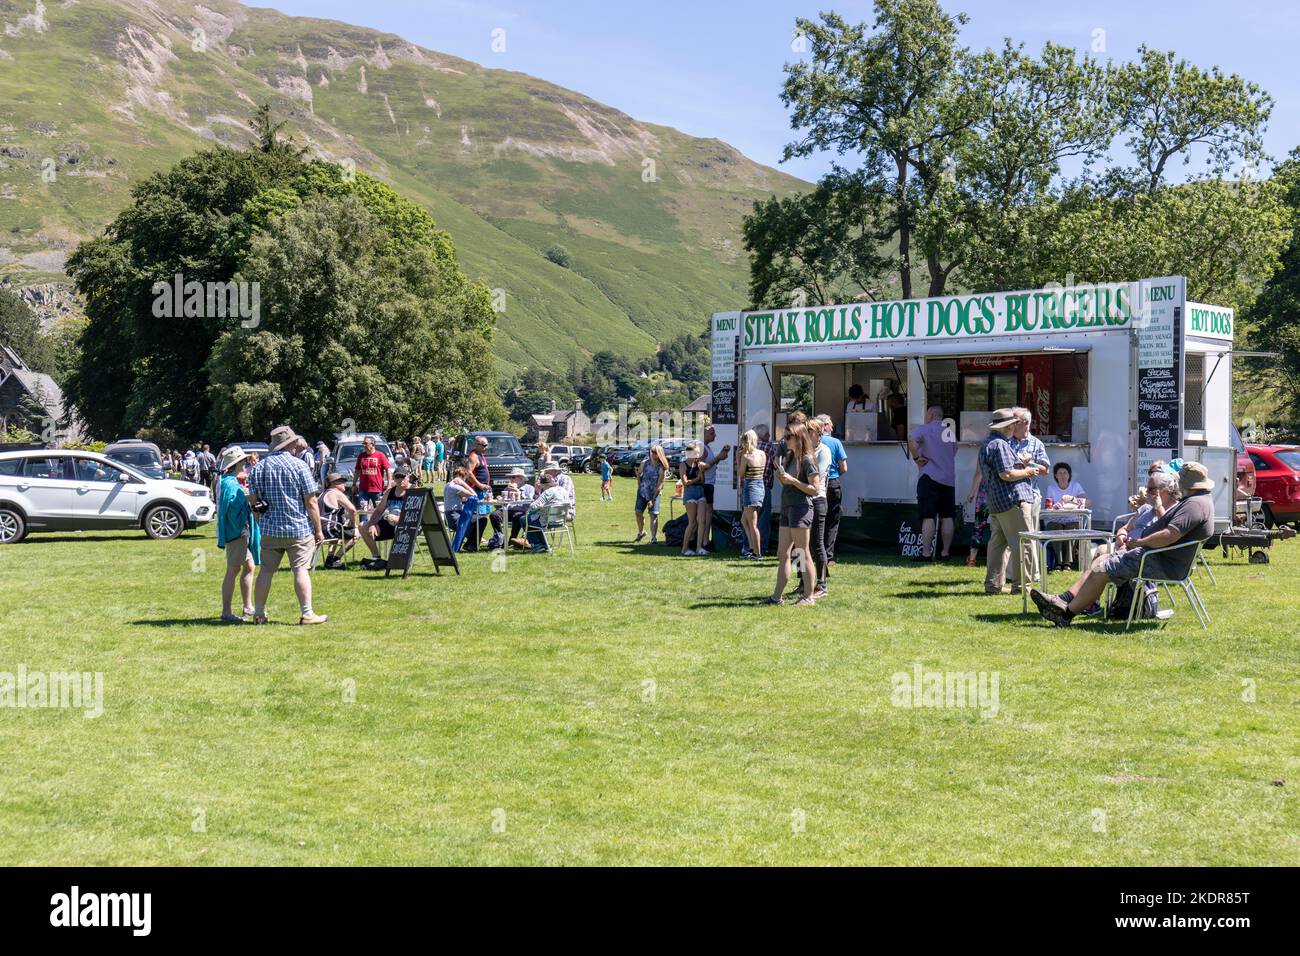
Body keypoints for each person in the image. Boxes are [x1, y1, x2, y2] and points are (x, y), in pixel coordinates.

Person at [1031, 462, 1216, 626]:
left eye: (1180, 480)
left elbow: (1169, 535)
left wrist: (1139, 542)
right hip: (1157, 556)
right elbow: (1162, 532)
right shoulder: (1199, 501)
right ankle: (1064, 600)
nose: (1178, 483)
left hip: (1158, 560)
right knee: (1102, 559)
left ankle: (1065, 614)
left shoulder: (1194, 505)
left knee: (1102, 569)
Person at [247, 425, 327, 625]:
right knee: (300, 570)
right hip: (298, 528)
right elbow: (311, 502)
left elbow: (254, 502)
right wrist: (318, 530)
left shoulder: (258, 468)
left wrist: (261, 523)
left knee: (266, 571)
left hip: (270, 529)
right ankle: (307, 613)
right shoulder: (299, 466)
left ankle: (259, 613)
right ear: (290, 443)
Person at [980, 408, 1046, 595]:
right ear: (1008, 426)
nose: (1016, 426)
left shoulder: (988, 443)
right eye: (1014, 423)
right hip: (1012, 501)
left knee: (998, 545)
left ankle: (992, 586)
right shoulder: (1000, 444)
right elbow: (1007, 474)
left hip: (996, 502)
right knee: (1023, 544)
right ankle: (1021, 587)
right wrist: (1028, 471)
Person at [768, 416, 820, 606]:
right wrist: (782, 478)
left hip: (801, 508)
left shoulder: (807, 460)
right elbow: (787, 483)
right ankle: (776, 597)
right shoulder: (789, 457)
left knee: (802, 553)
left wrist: (793, 481)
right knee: (783, 554)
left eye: (789, 436)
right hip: (787, 507)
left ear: (799, 438)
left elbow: (815, 489)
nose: (785, 439)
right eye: (785, 436)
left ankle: (809, 596)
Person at [216, 445, 259, 623]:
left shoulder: (227, 481)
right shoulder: (230, 483)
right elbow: (231, 509)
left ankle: (248, 606)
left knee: (249, 566)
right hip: (237, 533)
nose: (246, 463)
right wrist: (241, 527)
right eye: (243, 460)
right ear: (238, 463)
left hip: (238, 532)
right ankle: (226, 612)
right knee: (232, 570)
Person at [909, 405, 958, 561]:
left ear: (930, 415)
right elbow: (954, 450)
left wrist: (916, 457)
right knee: (948, 516)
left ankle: (926, 553)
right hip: (948, 479)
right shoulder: (949, 432)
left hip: (929, 476)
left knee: (928, 516)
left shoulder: (925, 429)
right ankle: (945, 553)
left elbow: (911, 439)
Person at [1010, 407, 1051, 580]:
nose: (1011, 425)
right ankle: (1011, 574)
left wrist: (1031, 463)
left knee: (1030, 534)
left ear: (1025, 423)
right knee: (1011, 536)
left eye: (1015, 422)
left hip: (1031, 495)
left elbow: (1045, 470)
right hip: (1010, 494)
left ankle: (1032, 574)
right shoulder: (1007, 441)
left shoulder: (1036, 443)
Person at [360, 467, 414, 566]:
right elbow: (379, 511)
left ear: (408, 477)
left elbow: (416, 513)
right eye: (397, 477)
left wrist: (398, 519)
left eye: (402, 477)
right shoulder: (390, 492)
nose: (399, 479)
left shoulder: (414, 490)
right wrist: (372, 524)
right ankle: (376, 558)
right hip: (390, 524)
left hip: (408, 525)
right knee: (363, 526)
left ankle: (401, 562)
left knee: (399, 527)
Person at [816, 415, 848, 568]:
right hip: (833, 483)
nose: (833, 428)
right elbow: (844, 468)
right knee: (832, 521)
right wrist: (835, 475)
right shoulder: (835, 442)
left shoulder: (812, 442)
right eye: (831, 424)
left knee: (816, 520)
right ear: (826, 425)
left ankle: (814, 554)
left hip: (815, 484)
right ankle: (828, 557)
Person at [696, 425, 732, 555]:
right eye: (712, 433)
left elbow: (708, 465)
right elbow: (701, 468)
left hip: (708, 484)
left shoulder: (706, 447)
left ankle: (705, 541)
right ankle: (704, 543)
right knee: (706, 514)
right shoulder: (700, 447)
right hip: (704, 485)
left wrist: (720, 457)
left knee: (708, 513)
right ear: (703, 434)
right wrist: (718, 458)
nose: (715, 436)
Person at [318, 471, 360, 569]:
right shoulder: (336, 493)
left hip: (320, 529)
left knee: (339, 533)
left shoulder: (322, 494)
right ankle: (335, 559)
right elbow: (352, 510)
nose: (344, 483)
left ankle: (329, 559)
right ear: (334, 483)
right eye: (341, 481)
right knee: (356, 533)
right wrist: (353, 525)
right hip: (330, 529)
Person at [735, 430, 767, 559]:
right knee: (744, 520)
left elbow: (741, 474)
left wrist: (738, 459)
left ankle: (757, 553)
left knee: (753, 524)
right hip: (760, 486)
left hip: (751, 487)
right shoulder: (762, 454)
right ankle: (752, 548)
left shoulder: (746, 457)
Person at [808, 420, 830, 595]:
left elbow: (817, 475)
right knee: (801, 545)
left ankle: (822, 584)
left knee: (817, 543)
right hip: (803, 500)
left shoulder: (825, 451)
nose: (806, 434)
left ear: (818, 433)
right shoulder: (804, 451)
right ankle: (804, 581)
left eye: (809, 431)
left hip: (818, 500)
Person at [634, 444, 669, 544]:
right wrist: (639, 485)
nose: (652, 453)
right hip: (642, 493)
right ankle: (641, 532)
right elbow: (639, 474)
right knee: (638, 512)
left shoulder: (662, 468)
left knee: (653, 515)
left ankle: (653, 538)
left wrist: (652, 500)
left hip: (654, 493)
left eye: (654, 452)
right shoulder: (644, 463)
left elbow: (659, 485)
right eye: (651, 451)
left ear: (659, 454)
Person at [755, 423, 778, 556]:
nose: (769, 436)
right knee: (763, 518)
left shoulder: (749, 447)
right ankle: (762, 547)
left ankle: (749, 547)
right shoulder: (768, 448)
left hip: (750, 486)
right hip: (764, 487)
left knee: (750, 519)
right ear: (763, 435)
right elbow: (776, 466)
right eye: (768, 434)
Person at [679, 443, 706, 557]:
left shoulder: (699, 464)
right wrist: (697, 478)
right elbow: (685, 483)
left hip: (700, 491)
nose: (698, 455)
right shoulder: (683, 465)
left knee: (702, 520)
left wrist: (701, 472)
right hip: (690, 493)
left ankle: (699, 547)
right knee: (692, 522)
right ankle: (684, 548)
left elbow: (702, 481)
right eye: (696, 452)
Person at [445, 466, 479, 552]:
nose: (465, 481)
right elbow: (474, 495)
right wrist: (464, 484)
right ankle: (471, 544)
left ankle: (471, 543)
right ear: (462, 477)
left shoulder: (448, 485)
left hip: (451, 516)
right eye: (465, 479)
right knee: (481, 520)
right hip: (455, 518)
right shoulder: (456, 487)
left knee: (477, 518)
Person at [354, 435, 391, 509]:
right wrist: (354, 484)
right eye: (363, 443)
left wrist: (389, 485)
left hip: (377, 489)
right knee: (362, 512)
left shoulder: (380, 455)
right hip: (363, 489)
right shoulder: (361, 456)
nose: (364, 445)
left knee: (379, 512)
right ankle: (363, 521)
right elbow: (357, 471)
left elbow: (388, 470)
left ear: (372, 444)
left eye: (366, 443)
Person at [502, 467, 536, 544]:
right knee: (494, 515)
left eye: (513, 477)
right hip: (508, 511)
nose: (511, 479)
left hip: (522, 511)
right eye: (510, 477)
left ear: (521, 478)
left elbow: (529, 503)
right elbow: (501, 505)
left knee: (517, 516)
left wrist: (518, 492)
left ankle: (512, 540)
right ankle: (499, 539)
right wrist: (500, 499)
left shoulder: (529, 488)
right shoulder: (507, 488)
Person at [965, 469, 991, 568]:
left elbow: (979, 473)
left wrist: (972, 492)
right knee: (1000, 528)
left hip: (983, 496)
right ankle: (997, 560)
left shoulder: (984, 452)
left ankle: (972, 559)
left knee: (978, 528)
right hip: (1000, 494)